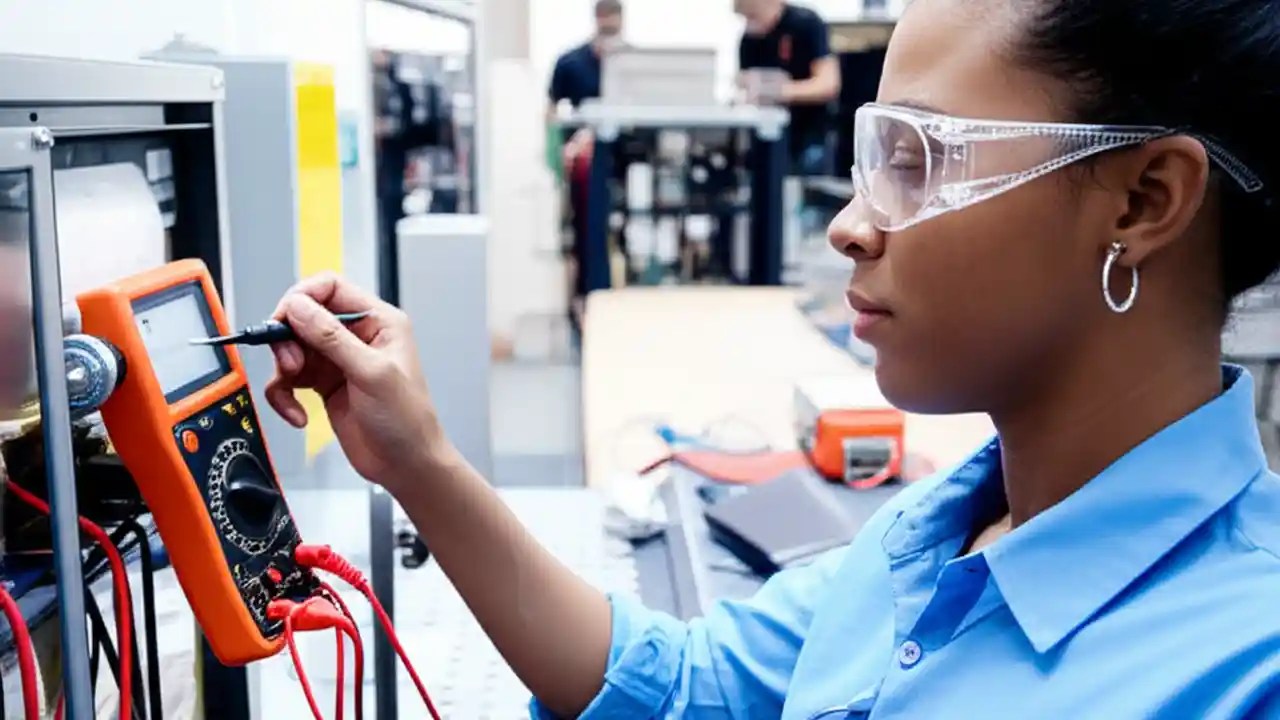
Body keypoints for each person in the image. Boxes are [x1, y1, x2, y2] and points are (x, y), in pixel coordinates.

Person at [265, 0, 1280, 715]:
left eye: (916, 161)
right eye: (866, 162)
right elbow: (673, 685)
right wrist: (418, 461)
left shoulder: (1244, 667)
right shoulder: (928, 540)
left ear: (1141, 202)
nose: (849, 225)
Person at [548, 0, 625, 329]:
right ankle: (588, 298)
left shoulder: (631, 61)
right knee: (584, 228)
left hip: (628, 156)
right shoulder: (570, 63)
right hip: (585, 161)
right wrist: (566, 144)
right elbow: (551, 112)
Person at [735, 0, 841, 176]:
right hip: (769, 137)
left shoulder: (806, 24)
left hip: (810, 136)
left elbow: (829, 84)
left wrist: (779, 92)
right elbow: (746, 81)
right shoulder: (750, 39)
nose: (751, 23)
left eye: (754, 15)